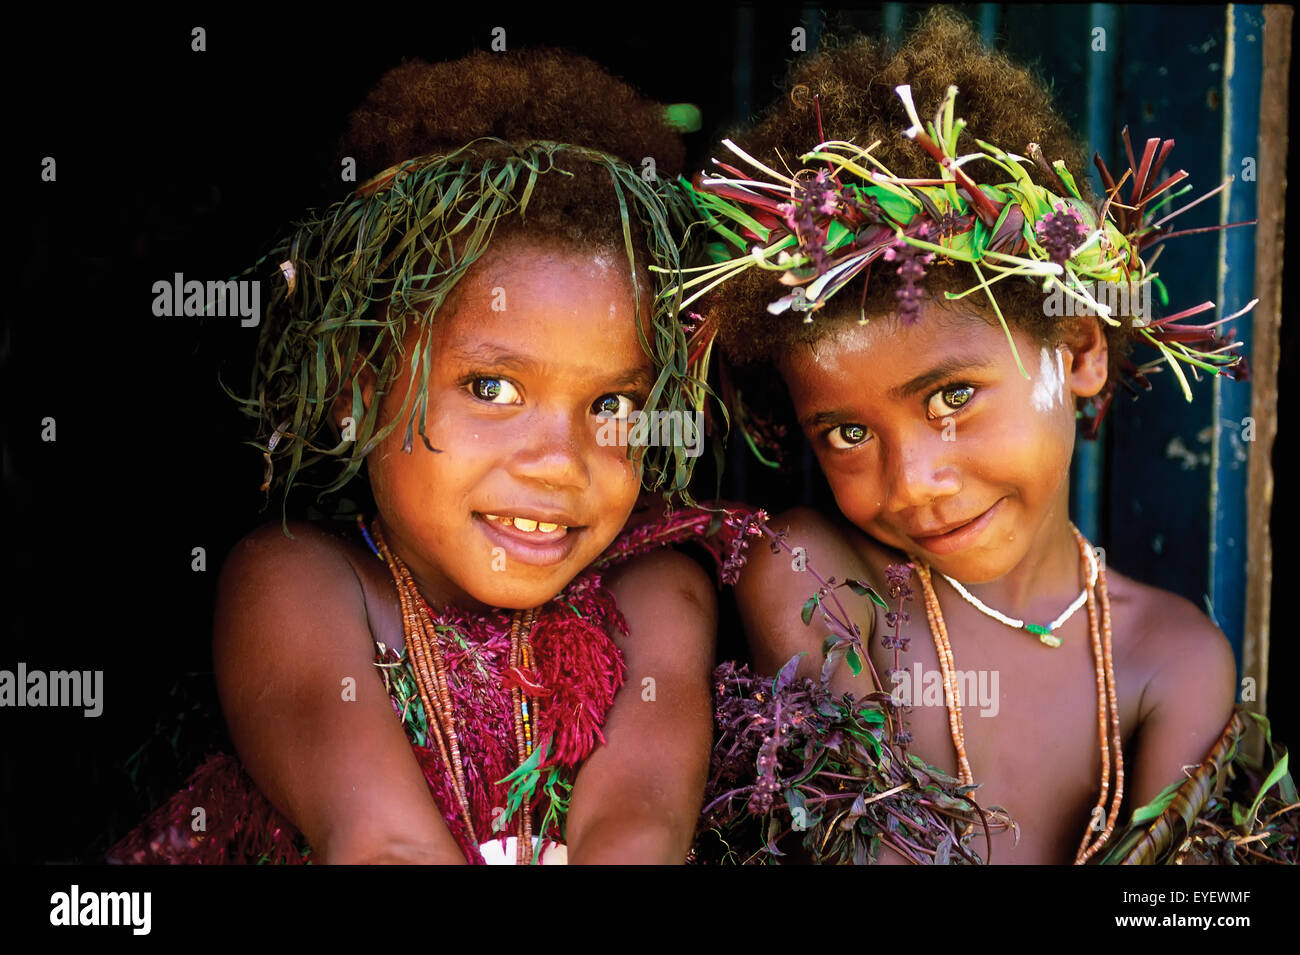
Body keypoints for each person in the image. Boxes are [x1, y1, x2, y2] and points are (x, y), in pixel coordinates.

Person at [107, 48, 759, 865]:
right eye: (491, 388)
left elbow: (636, 828)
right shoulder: (299, 582)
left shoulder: (658, 591)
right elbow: (383, 843)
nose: (560, 463)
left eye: (612, 404)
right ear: (356, 388)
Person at [684, 9, 1291, 864]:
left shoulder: (1170, 657)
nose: (916, 480)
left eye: (953, 395)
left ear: (1079, 350)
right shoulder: (812, 575)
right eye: (849, 431)